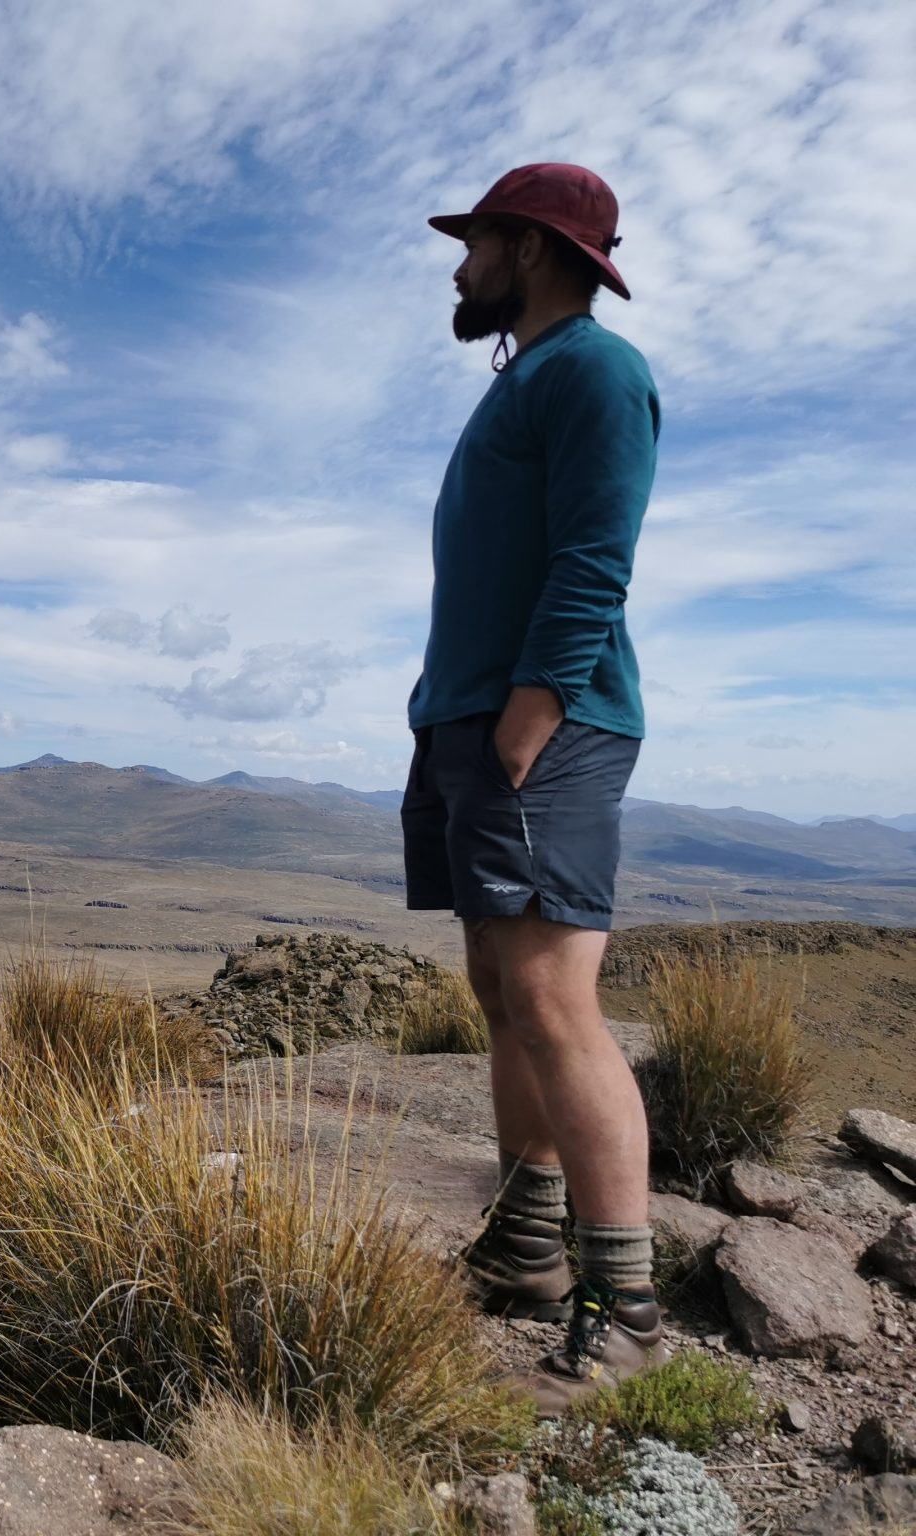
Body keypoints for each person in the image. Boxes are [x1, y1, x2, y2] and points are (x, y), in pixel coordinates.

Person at [402, 164, 666, 1413]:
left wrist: (531, 709)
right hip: (471, 723)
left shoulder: (593, 371)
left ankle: (626, 1313)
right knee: (499, 989)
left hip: (532, 730)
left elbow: (593, 555)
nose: (458, 268)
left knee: (554, 998)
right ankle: (525, 1248)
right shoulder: (525, 375)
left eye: (476, 244)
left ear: (534, 248)